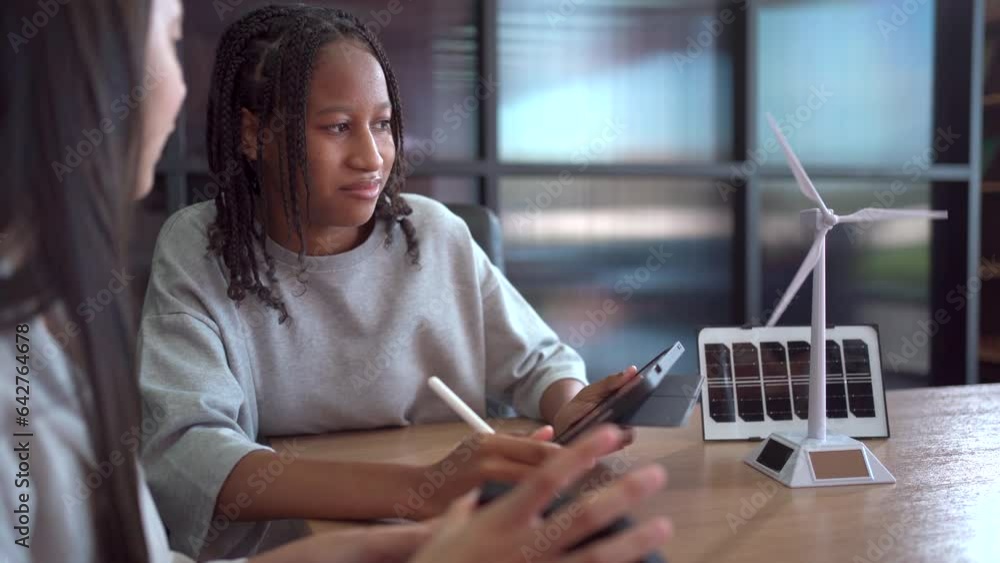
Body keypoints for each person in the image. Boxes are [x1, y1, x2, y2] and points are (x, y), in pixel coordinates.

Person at [0, 0, 672, 562]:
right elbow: (189, 455)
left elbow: (537, 359)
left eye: (381, 125)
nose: (371, 156)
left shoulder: (433, 234)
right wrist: (417, 487)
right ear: (254, 134)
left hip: (463, 524)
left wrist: (572, 405)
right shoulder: (201, 250)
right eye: (336, 128)